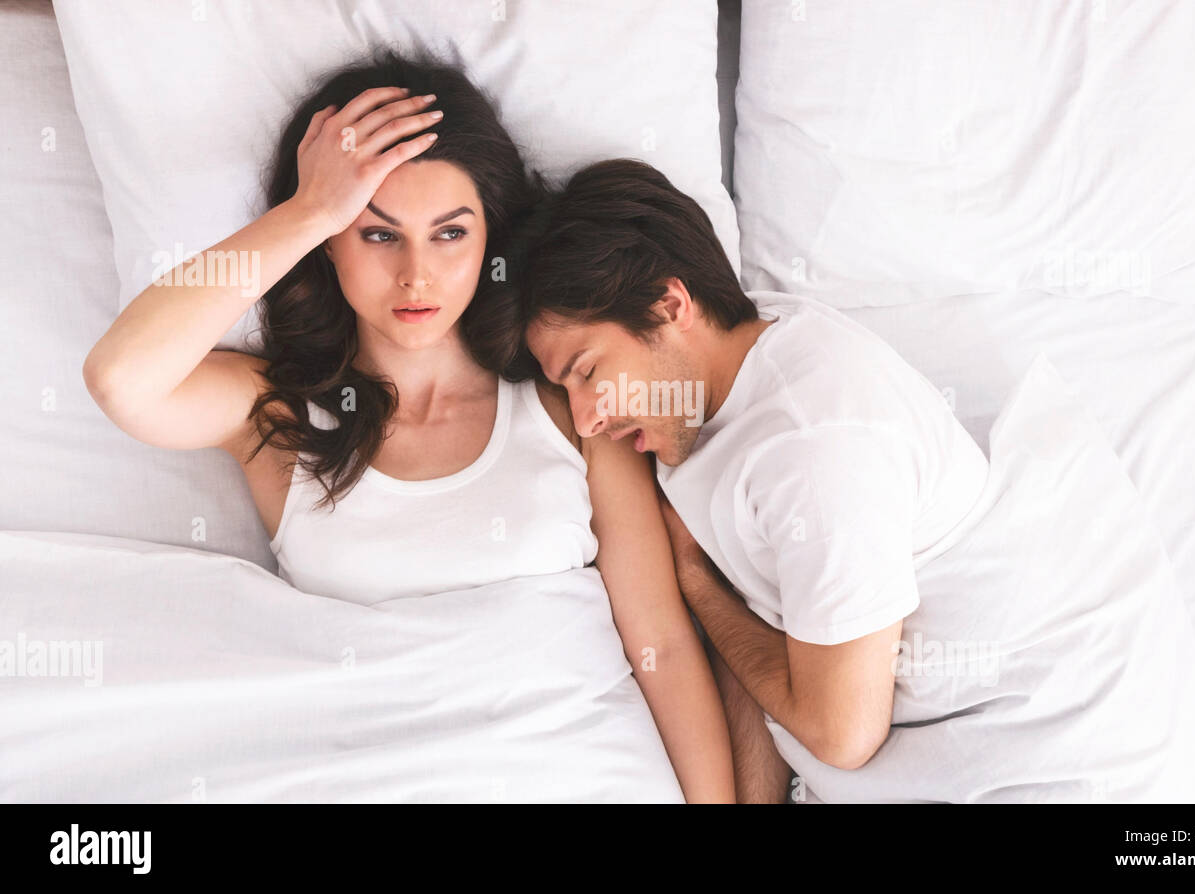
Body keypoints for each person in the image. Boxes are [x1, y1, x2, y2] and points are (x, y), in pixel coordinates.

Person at [82, 51, 733, 803]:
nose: (417, 275)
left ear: (490, 237)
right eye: (378, 235)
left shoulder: (567, 404)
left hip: (582, 771)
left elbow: (660, 642)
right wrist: (311, 209)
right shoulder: (280, 414)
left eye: (451, 234)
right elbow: (120, 379)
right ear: (330, 244)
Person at [517, 158, 991, 803]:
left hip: (1006, 756)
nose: (585, 418)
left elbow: (842, 733)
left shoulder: (814, 448)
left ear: (671, 305)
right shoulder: (724, 371)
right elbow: (757, 645)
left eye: (587, 370)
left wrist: (696, 580)